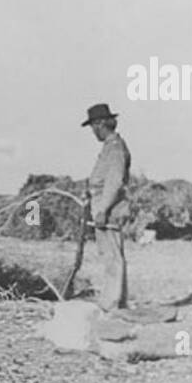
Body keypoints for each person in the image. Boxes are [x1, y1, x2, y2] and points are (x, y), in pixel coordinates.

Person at [81, 102, 130, 310]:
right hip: (103, 207)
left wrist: (103, 209)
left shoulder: (116, 148)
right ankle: (117, 302)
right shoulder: (110, 147)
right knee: (110, 256)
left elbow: (115, 181)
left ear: (101, 124)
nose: (93, 131)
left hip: (109, 210)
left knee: (112, 258)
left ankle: (112, 303)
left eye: (93, 126)